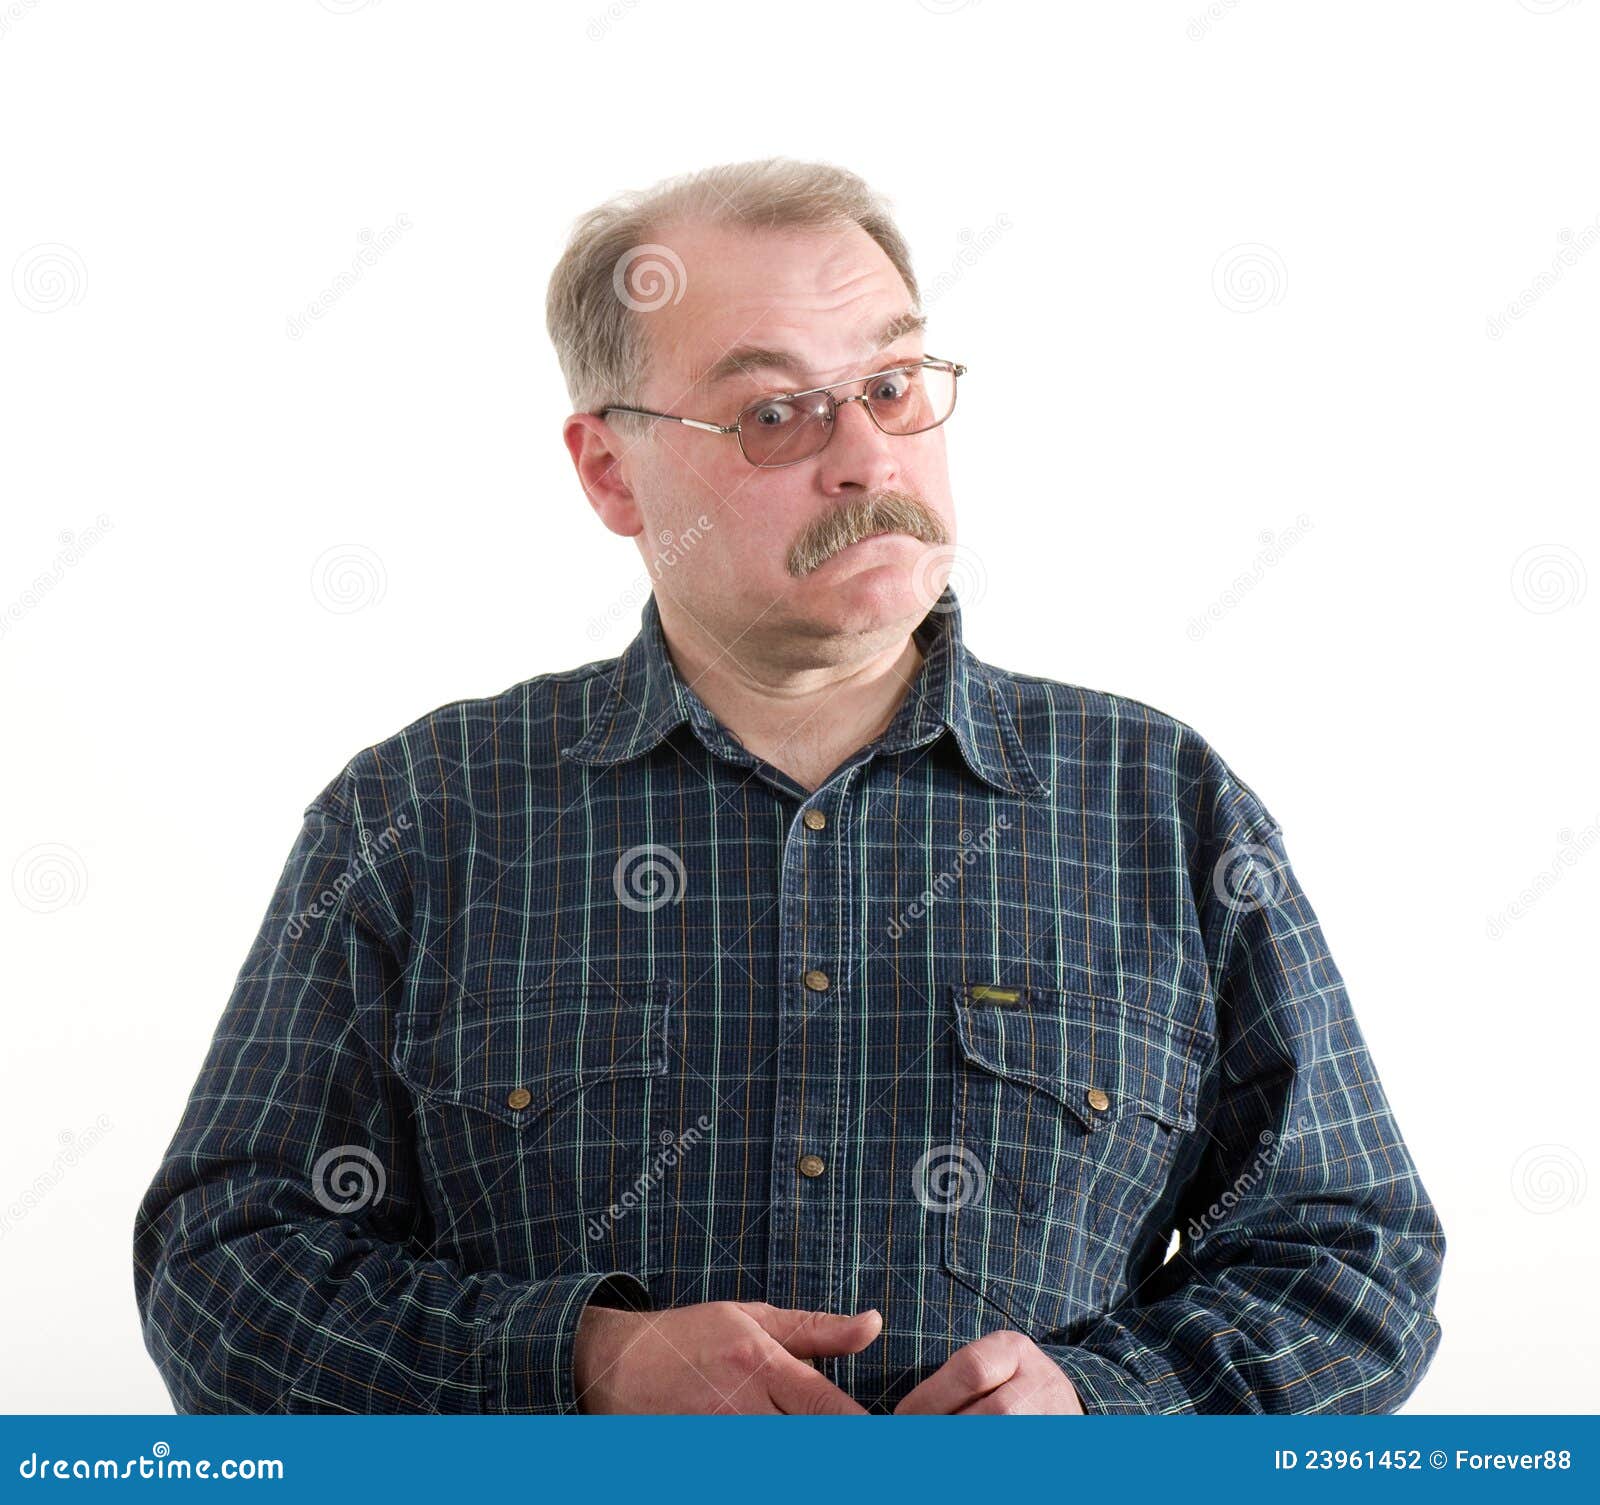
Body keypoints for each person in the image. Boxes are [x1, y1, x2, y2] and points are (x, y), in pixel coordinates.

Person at [134, 158, 1443, 1415]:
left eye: (892, 381)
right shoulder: (423, 814)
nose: (866, 458)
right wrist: (578, 1365)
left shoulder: (1160, 803)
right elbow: (224, 1272)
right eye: (774, 411)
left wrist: (1105, 1408)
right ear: (607, 469)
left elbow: (1351, 1256)